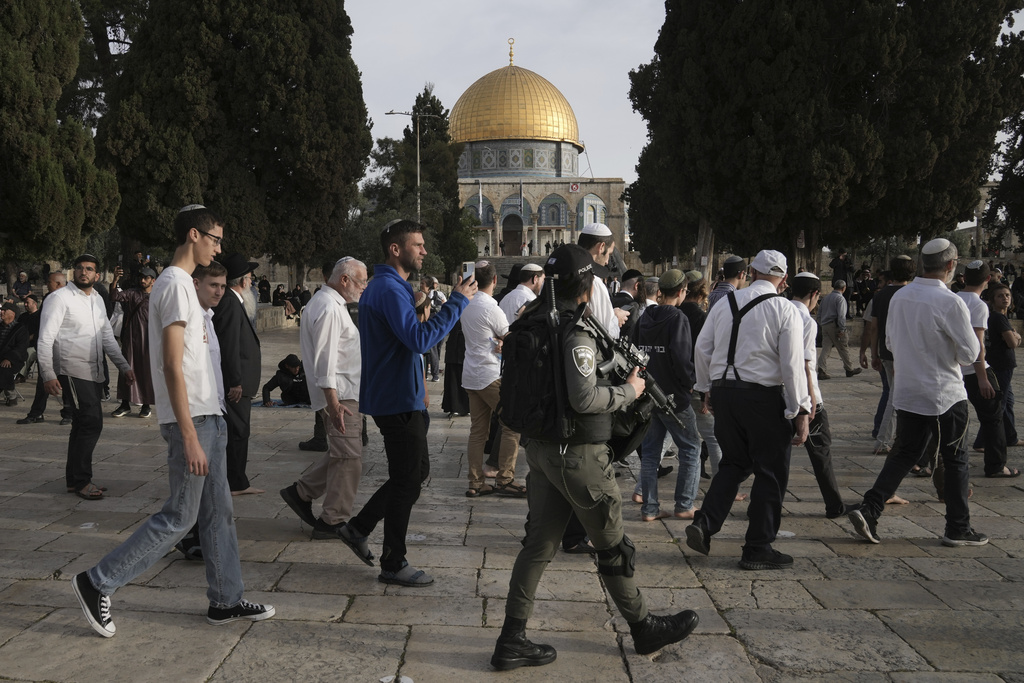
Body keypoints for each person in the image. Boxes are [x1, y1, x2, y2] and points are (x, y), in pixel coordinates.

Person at [71, 205, 273, 639]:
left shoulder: (184, 286)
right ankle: (97, 582)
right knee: (181, 516)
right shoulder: (176, 285)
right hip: (193, 421)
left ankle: (226, 600)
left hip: (208, 416)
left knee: (219, 513)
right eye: (215, 239)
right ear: (195, 235)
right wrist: (188, 435)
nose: (219, 247)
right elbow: (171, 366)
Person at [492, 244, 698, 670]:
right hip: (579, 456)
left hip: (544, 451)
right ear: (587, 286)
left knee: (539, 545)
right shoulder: (576, 333)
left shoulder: (532, 320)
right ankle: (643, 628)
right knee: (612, 548)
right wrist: (631, 392)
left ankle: (511, 638)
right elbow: (584, 398)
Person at [334, 219, 477, 587]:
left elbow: (402, 340)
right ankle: (392, 562)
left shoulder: (390, 287)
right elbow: (418, 339)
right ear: (396, 249)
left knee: (413, 475)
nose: (424, 251)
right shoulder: (388, 288)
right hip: (395, 400)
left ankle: (359, 528)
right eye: (418, 244)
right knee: (407, 480)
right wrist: (458, 301)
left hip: (401, 396)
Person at [848, 238, 988, 547]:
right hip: (945, 394)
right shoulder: (950, 302)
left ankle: (870, 509)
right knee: (955, 459)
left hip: (909, 390)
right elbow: (969, 353)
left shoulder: (900, 296)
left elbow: (890, 342)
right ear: (951, 266)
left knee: (904, 454)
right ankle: (957, 527)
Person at [686, 249, 810, 570]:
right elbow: (792, 364)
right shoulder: (785, 309)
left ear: (751, 273)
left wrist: (706, 388)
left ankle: (705, 522)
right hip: (762, 397)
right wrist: (800, 409)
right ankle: (757, 547)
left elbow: (703, 348)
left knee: (735, 462)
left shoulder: (724, 302)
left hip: (725, 393)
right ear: (783, 280)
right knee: (770, 471)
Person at [280, 257, 368, 538]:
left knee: (342, 453)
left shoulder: (329, 303)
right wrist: (333, 403)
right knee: (348, 459)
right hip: (340, 397)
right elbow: (326, 360)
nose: (364, 287)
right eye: (361, 281)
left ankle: (301, 493)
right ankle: (332, 520)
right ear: (344, 280)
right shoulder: (329, 307)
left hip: (343, 393)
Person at [37, 254, 135, 500]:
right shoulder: (59, 298)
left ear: (97, 275)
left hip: (93, 371)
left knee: (82, 424)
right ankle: (82, 481)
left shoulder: (98, 300)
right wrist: (48, 374)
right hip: (71, 369)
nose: (84, 272)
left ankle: (74, 480)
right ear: (73, 273)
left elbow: (106, 338)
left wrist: (124, 367)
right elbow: (45, 339)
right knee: (92, 422)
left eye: (89, 269)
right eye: (79, 268)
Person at [634, 269, 702, 522]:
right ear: (682, 291)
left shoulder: (645, 316)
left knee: (650, 452)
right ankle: (684, 504)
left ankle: (650, 508)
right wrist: (689, 384)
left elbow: (636, 352)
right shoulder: (678, 318)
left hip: (648, 394)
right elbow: (682, 358)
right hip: (674, 397)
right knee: (691, 448)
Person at [461, 260, 525, 498]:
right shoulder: (492, 308)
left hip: (470, 374)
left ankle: (475, 481)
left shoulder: (465, 304)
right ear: (495, 280)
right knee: (512, 423)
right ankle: (505, 478)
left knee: (478, 431)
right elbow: (508, 338)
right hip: (489, 374)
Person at [790, 272, 849, 518]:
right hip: (805, 396)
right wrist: (812, 401)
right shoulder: (805, 319)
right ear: (815, 295)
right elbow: (805, 365)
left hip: (779, 395)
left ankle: (759, 505)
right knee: (820, 451)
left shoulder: (779, 311)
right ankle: (834, 505)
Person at [213, 253, 263, 496]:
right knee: (237, 432)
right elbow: (229, 345)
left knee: (238, 431)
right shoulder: (231, 304)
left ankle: (236, 480)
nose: (252, 281)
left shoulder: (234, 301)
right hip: (237, 383)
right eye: (250, 277)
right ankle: (236, 483)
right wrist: (235, 381)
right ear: (243, 281)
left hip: (240, 380)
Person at [870, 256, 915, 456]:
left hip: (885, 351)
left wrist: (873, 353)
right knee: (896, 397)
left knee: (895, 395)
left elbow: (874, 327)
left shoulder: (880, 295)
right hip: (903, 353)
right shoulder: (911, 295)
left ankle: (897, 436)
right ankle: (883, 440)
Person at [17, 272, 73, 425]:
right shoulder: (49, 298)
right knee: (43, 382)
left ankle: (68, 413)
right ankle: (36, 413)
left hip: (64, 348)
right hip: (47, 347)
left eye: (49, 282)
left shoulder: (70, 298)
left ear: (59, 284)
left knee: (66, 383)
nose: (47, 284)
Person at [110, 265, 156, 418]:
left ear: (153, 281)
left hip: (150, 340)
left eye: (146, 278)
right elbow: (115, 296)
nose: (142, 280)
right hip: (131, 338)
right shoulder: (132, 293)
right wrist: (115, 280)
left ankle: (146, 404)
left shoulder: (159, 296)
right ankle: (124, 404)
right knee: (126, 368)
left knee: (146, 371)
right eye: (141, 277)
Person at [983, 282, 1023, 457]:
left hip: (999, 364)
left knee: (1008, 402)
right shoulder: (998, 317)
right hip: (1002, 364)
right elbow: (1012, 343)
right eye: (1000, 296)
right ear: (993, 300)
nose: (1005, 298)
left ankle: (1011, 436)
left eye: (1007, 295)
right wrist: (1017, 336)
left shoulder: (997, 317)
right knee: (999, 404)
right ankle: (981, 441)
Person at [577, 223, 627, 339]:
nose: (607, 261)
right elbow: (608, 333)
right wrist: (616, 318)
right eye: (609, 254)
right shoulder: (593, 283)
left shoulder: (560, 275)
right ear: (601, 247)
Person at [817, 280, 861, 379]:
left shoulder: (826, 298)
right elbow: (841, 315)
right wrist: (842, 329)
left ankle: (821, 369)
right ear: (844, 288)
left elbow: (819, 314)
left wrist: (822, 323)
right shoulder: (840, 299)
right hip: (835, 325)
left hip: (825, 325)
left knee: (826, 348)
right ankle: (849, 369)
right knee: (843, 347)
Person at [0, 303, 30, 405]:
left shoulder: (20, 329)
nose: (1, 312)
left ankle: (11, 395)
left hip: (15, 359)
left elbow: (21, 348)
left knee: (4, 369)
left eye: (4, 310)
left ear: (12, 313)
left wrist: (9, 358)